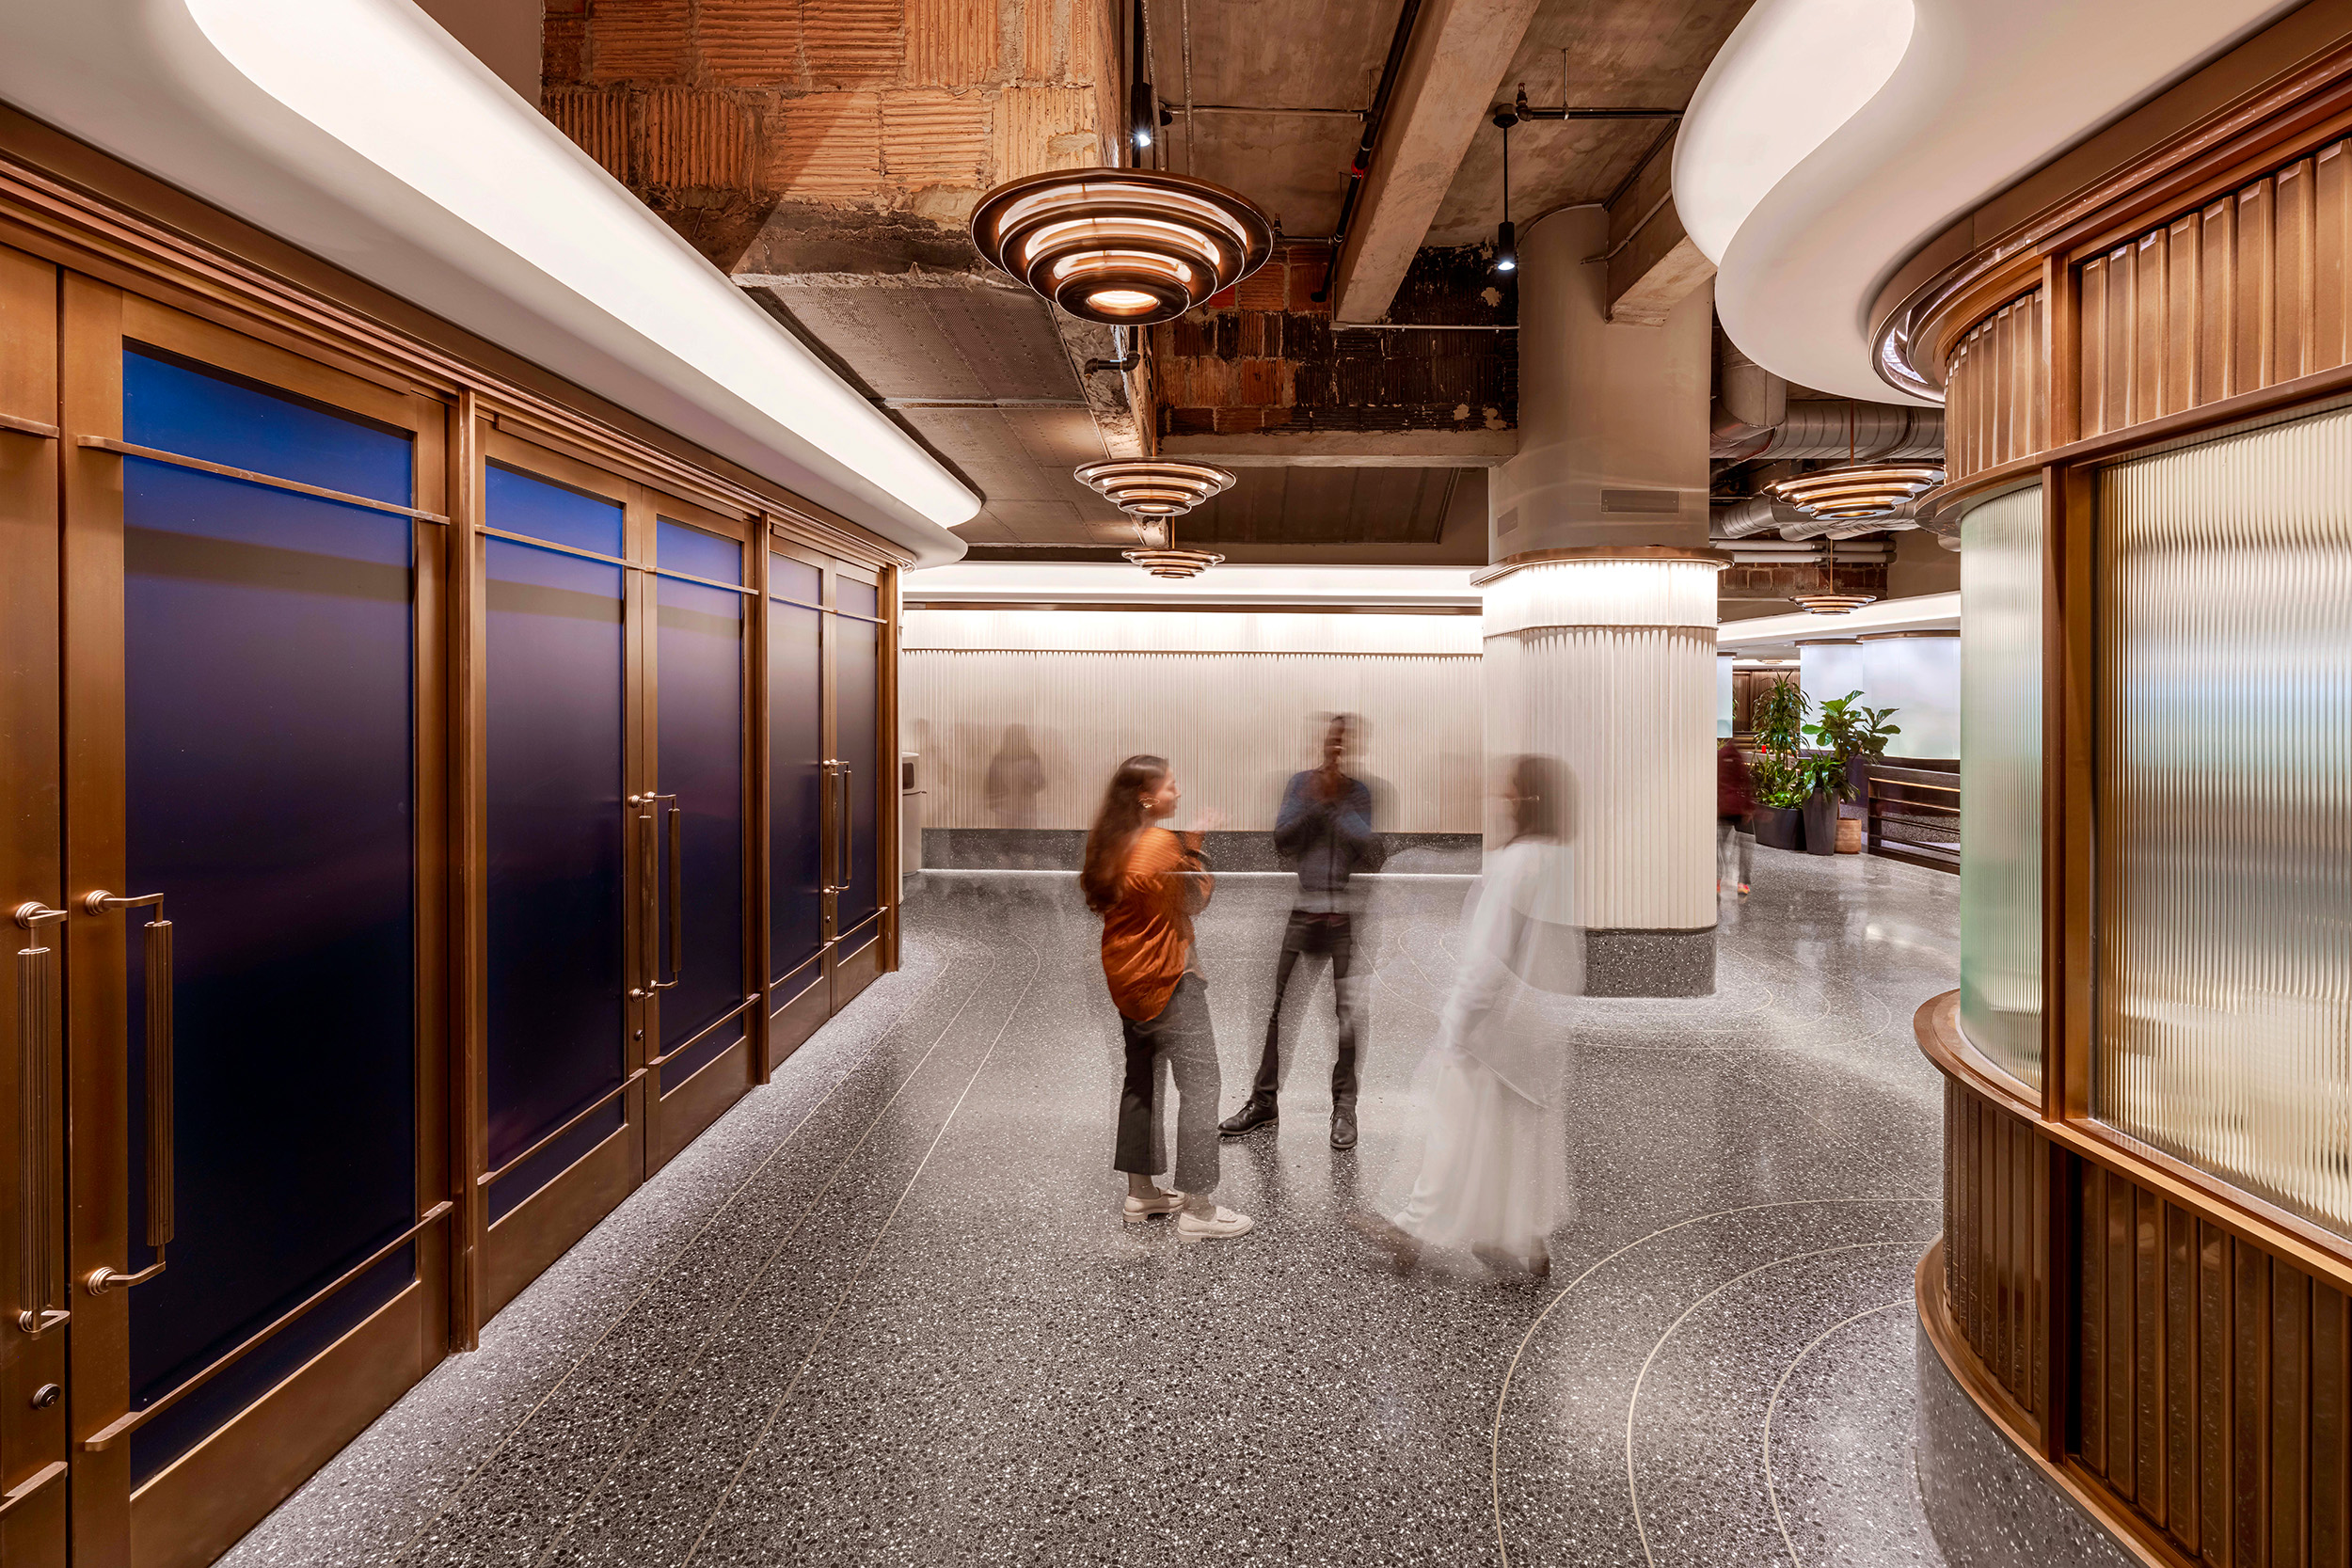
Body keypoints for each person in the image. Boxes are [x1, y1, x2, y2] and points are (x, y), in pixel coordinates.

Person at [1357, 755, 1577, 1278]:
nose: (1503, 801)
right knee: (1514, 1131)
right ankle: (1523, 1237)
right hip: (1537, 1026)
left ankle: (1413, 1226)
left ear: (1529, 800)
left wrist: (1457, 1022)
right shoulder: (1558, 857)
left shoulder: (1518, 862)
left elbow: (1489, 958)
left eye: (1511, 792)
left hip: (1492, 1029)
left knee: (1451, 1124)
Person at [1079, 753, 1253, 1243]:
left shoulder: (1108, 841)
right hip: (1170, 977)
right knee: (1201, 1085)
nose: (1178, 793)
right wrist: (1196, 843)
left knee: (1141, 1081)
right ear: (1146, 797)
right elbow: (1194, 898)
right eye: (1171, 786)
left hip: (1126, 976)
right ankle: (1199, 1207)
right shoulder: (1159, 844)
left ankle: (1142, 1192)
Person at [1219, 713, 1385, 1149]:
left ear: (1352, 749)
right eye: (1331, 742)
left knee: (1346, 1019)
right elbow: (1283, 840)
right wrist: (1315, 802)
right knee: (1276, 1011)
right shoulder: (1300, 785)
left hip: (1343, 918)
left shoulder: (1360, 793)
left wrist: (1338, 807)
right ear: (1322, 745)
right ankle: (1264, 1101)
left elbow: (1370, 852)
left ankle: (1344, 1110)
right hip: (1303, 911)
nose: (1336, 749)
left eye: (1343, 743)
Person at [1717, 737, 1753, 896]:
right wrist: (1749, 807)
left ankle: (1717, 881)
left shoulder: (1719, 758)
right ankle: (1742, 882)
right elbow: (1746, 782)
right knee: (1746, 846)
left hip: (1723, 808)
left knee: (1719, 846)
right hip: (1739, 808)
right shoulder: (1737, 757)